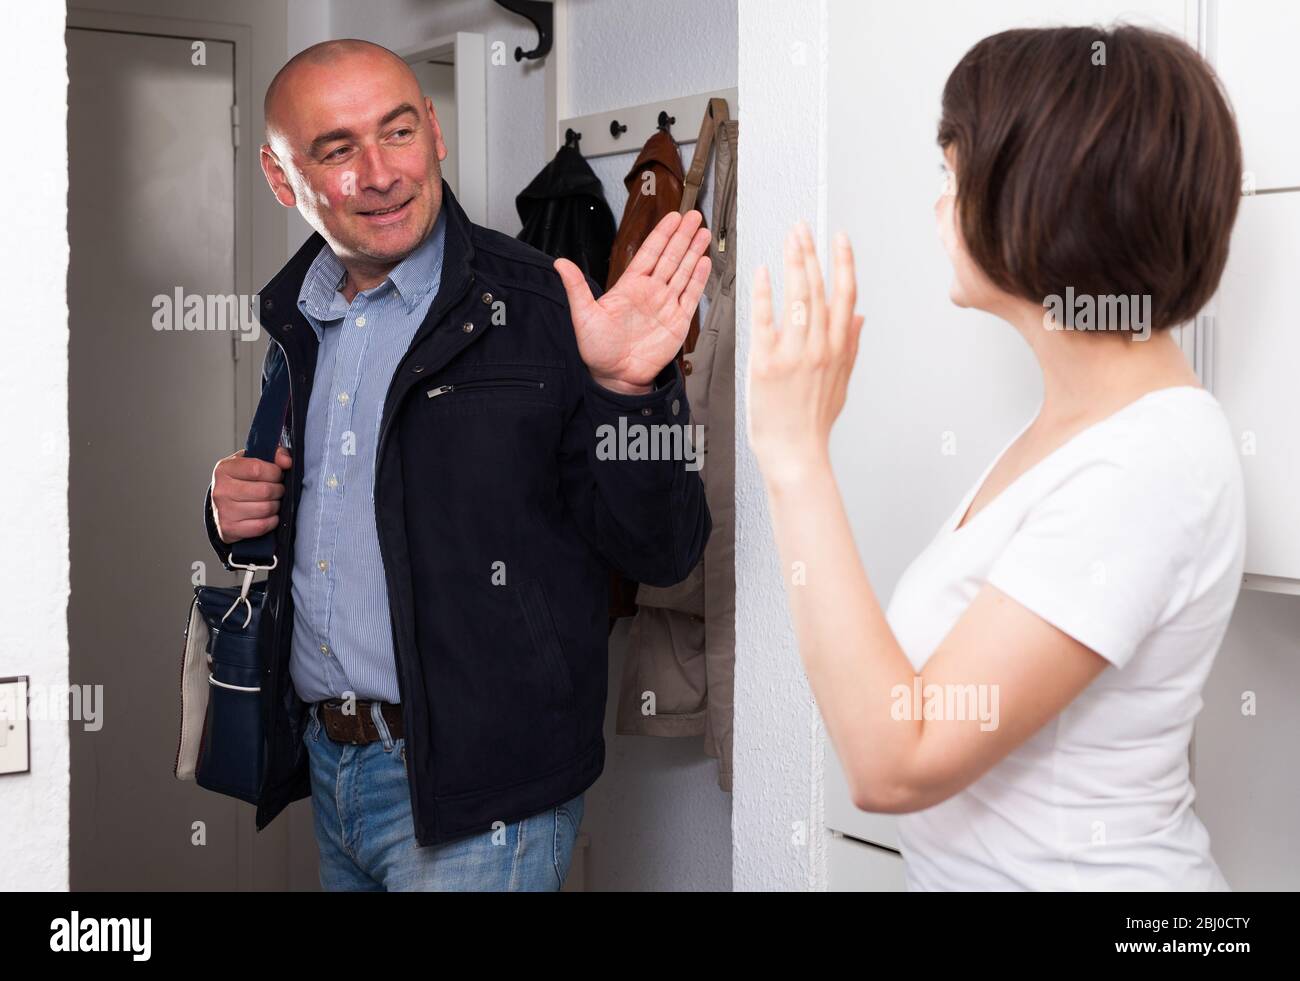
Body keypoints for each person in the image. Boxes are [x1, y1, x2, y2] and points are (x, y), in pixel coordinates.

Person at [205, 39, 711, 891]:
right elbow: (333, 527)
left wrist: (631, 391)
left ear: (434, 131)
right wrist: (231, 514)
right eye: (337, 150)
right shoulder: (296, 316)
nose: (380, 172)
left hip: (487, 799)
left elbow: (664, 549)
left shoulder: (541, 303)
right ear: (281, 176)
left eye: (398, 132)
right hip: (332, 770)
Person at [746, 24, 1244, 890]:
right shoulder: (1076, 430)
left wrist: (794, 454)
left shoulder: (1153, 459)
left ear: (1046, 193)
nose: (937, 204)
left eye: (952, 174)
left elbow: (895, 760)